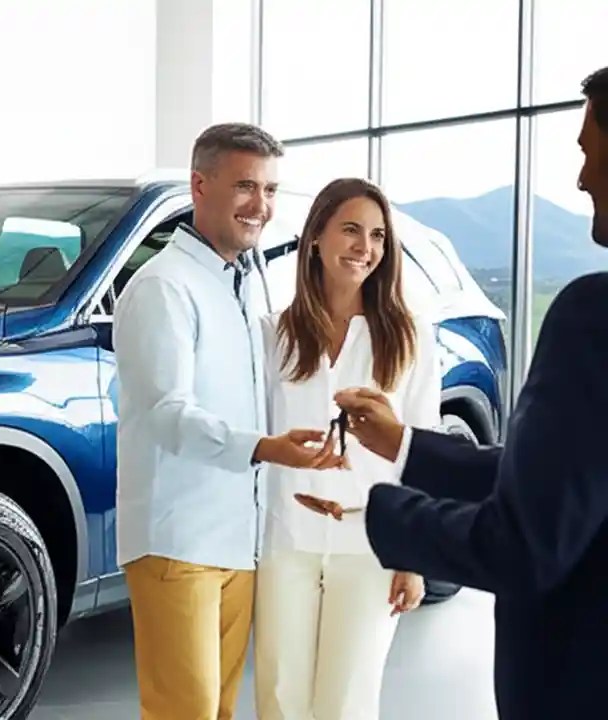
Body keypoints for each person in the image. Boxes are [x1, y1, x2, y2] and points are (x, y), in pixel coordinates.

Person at [333, 66, 608, 720]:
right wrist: (405, 446)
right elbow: (565, 484)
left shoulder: (591, 317)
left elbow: (524, 543)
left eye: (590, 155)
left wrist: (374, 512)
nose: (581, 179)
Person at [114, 122, 344, 720]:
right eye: (246, 187)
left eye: (269, 190)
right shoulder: (163, 286)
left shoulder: (246, 285)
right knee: (182, 712)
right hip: (177, 540)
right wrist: (267, 448)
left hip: (239, 542)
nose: (261, 206)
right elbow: (168, 414)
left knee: (216, 712)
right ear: (199, 185)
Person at [252, 177, 440, 720]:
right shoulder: (274, 335)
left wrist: (414, 558)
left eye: (378, 235)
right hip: (286, 542)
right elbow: (255, 439)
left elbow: (421, 448)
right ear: (315, 238)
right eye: (351, 230)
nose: (365, 247)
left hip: (373, 547)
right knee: (281, 702)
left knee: (346, 706)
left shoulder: (409, 336)